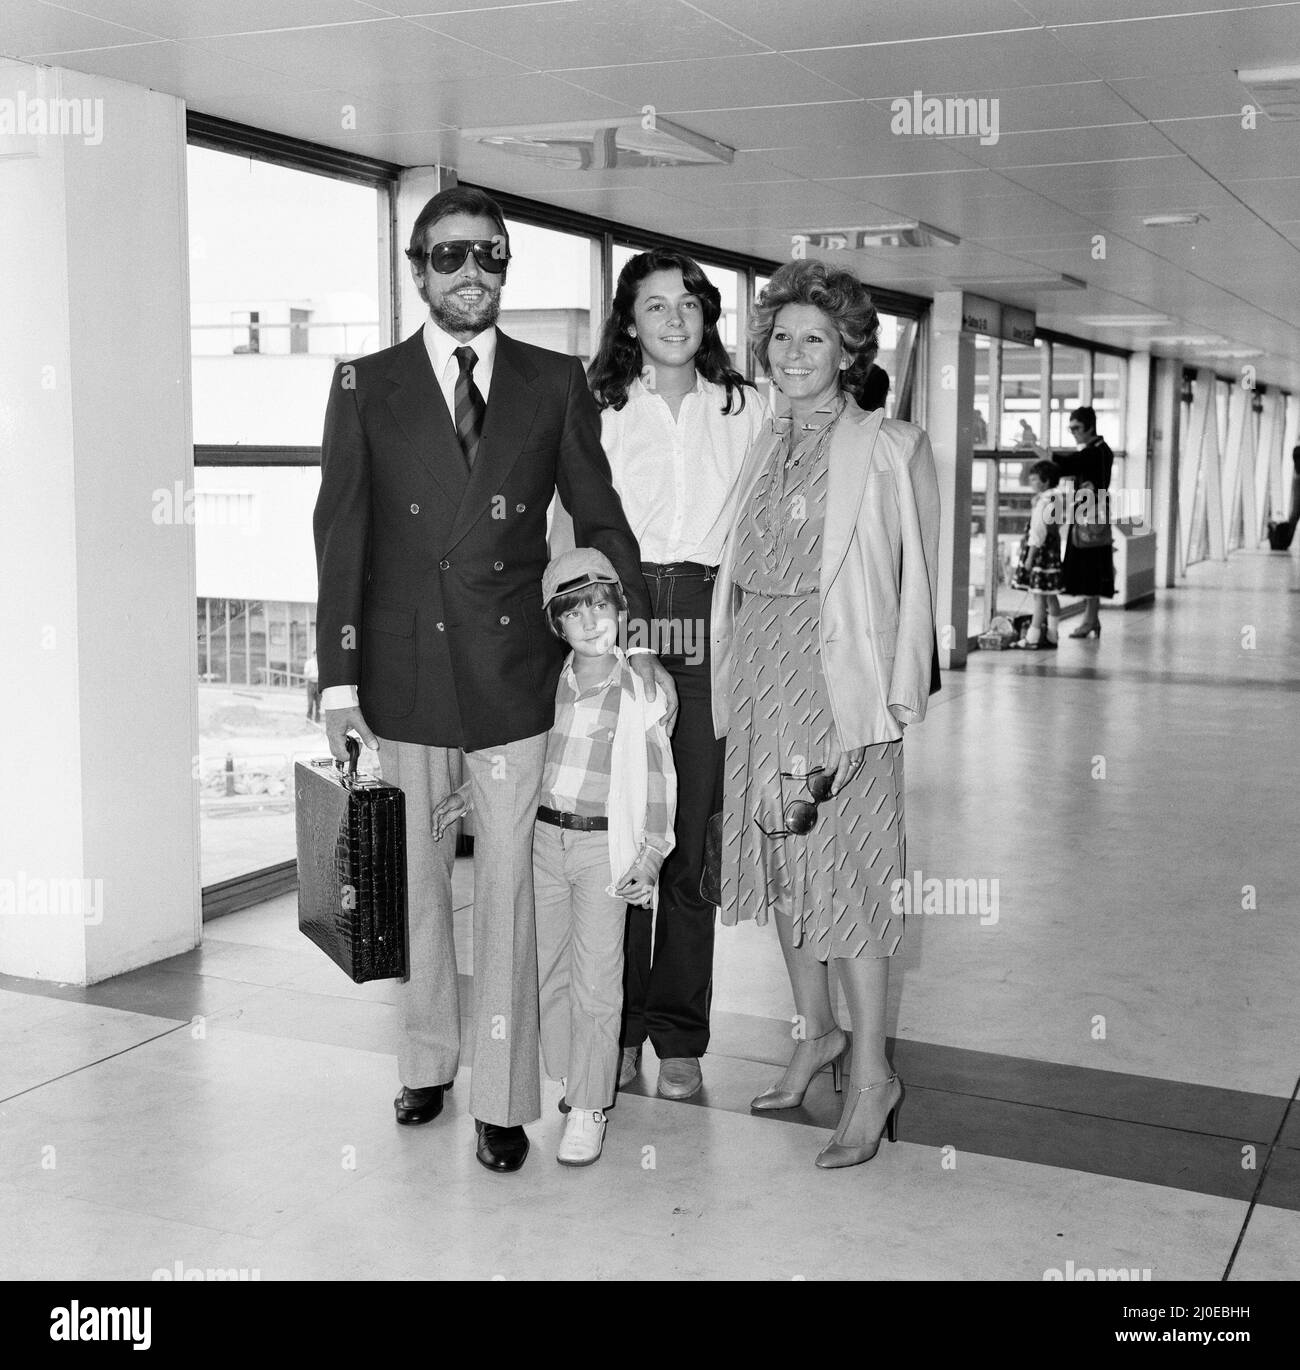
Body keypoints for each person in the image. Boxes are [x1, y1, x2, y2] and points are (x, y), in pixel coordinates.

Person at [312, 186, 675, 1176]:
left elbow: (599, 517)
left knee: (513, 891)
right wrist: (339, 687)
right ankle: (427, 1056)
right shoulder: (363, 383)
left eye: (491, 257)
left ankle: (507, 1095)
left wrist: (614, 610)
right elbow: (338, 539)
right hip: (402, 676)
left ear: (506, 269)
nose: (471, 273)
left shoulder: (553, 381)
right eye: (450, 256)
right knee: (419, 881)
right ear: (416, 267)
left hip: (518, 677)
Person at [712, 259, 940, 1169]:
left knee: (847, 882)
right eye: (780, 335)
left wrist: (887, 706)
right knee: (784, 874)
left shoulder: (892, 446)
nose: (794, 352)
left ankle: (874, 1072)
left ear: (849, 349)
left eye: (815, 337)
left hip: (838, 684)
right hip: (764, 675)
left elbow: (915, 585)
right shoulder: (765, 441)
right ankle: (815, 1036)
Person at [588, 249, 766, 1102]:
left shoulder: (747, 407)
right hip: (620, 617)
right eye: (654, 305)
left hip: (709, 615)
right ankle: (617, 1027)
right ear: (628, 321)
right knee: (625, 832)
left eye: (688, 302)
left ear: (706, 317)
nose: (673, 317)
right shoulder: (600, 410)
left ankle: (681, 1033)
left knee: (694, 834)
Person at [434, 549, 677, 1165]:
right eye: (574, 613)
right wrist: (471, 791)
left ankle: (592, 1104)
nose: (591, 621)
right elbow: (526, 764)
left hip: (604, 848)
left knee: (599, 978)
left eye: (601, 605)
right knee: (552, 973)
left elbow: (657, 781)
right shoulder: (552, 686)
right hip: (545, 841)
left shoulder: (638, 691)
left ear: (620, 610)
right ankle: (574, 1081)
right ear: (557, 626)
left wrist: (649, 854)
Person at [1035, 405, 1114, 637]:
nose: (1074, 433)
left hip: (1089, 518)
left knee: (1090, 566)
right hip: (1091, 515)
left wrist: (1042, 453)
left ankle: (1090, 620)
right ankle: (1092, 619)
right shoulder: (1099, 450)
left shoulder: (1095, 452)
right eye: (1070, 429)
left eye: (1077, 428)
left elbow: (1069, 464)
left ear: (1090, 426)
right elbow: (1075, 465)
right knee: (1093, 565)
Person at [1009, 460, 1063, 650]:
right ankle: (1053, 634)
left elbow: (1037, 533)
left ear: (1045, 481)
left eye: (1034, 479)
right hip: (1052, 554)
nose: (1031, 483)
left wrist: (1029, 557)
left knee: (1038, 597)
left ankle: (1032, 638)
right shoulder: (1056, 498)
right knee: (1051, 596)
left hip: (1040, 554)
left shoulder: (1043, 503)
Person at [303, 651, 320, 722]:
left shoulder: (321, 663)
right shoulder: (309, 663)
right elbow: (306, 675)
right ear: (314, 654)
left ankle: (317, 718)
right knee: (310, 703)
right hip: (311, 684)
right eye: (316, 654)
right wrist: (314, 676)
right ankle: (309, 717)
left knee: (318, 703)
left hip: (318, 684)